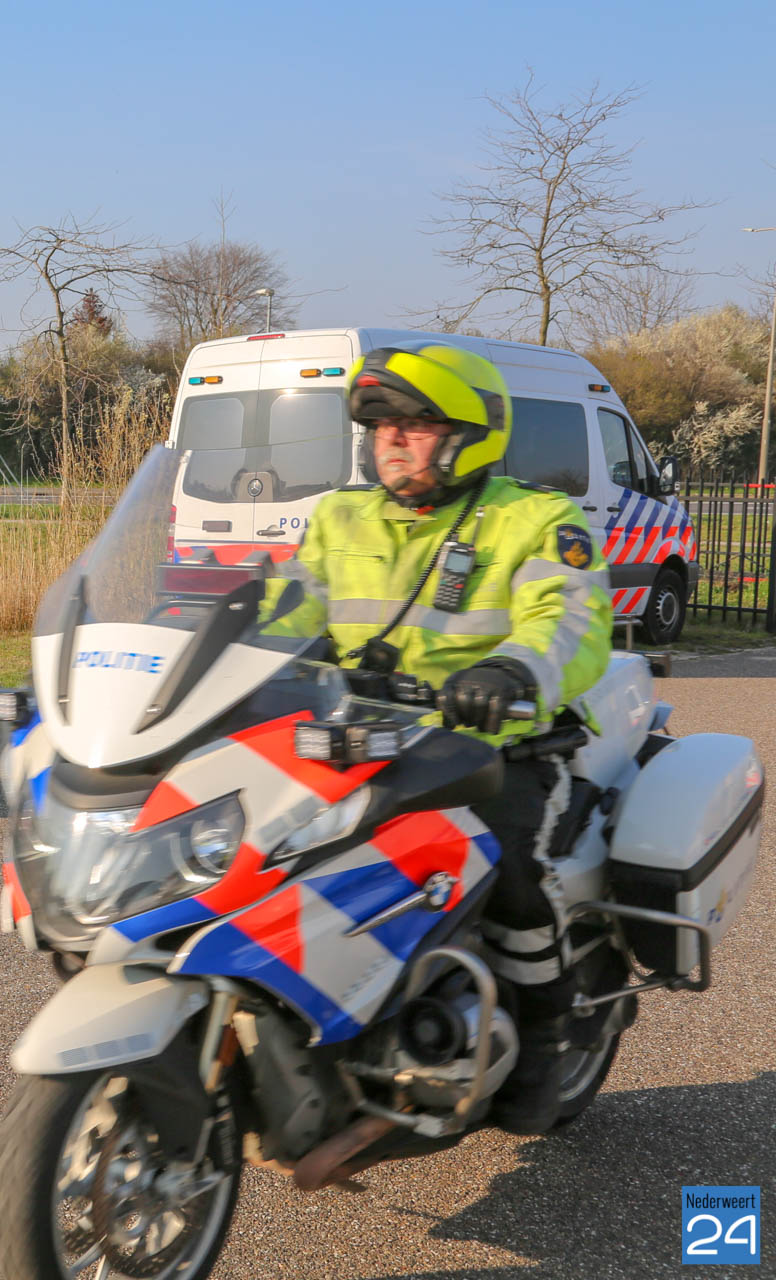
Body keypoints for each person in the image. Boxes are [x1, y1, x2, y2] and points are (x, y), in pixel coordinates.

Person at [275, 341, 612, 1133]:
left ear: (471, 433)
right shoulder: (339, 516)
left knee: (509, 868)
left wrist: (512, 674)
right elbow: (282, 614)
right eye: (381, 423)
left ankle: (541, 1043)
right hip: (360, 741)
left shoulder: (535, 518)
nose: (392, 438)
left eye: (417, 423)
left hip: (499, 747)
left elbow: (571, 621)